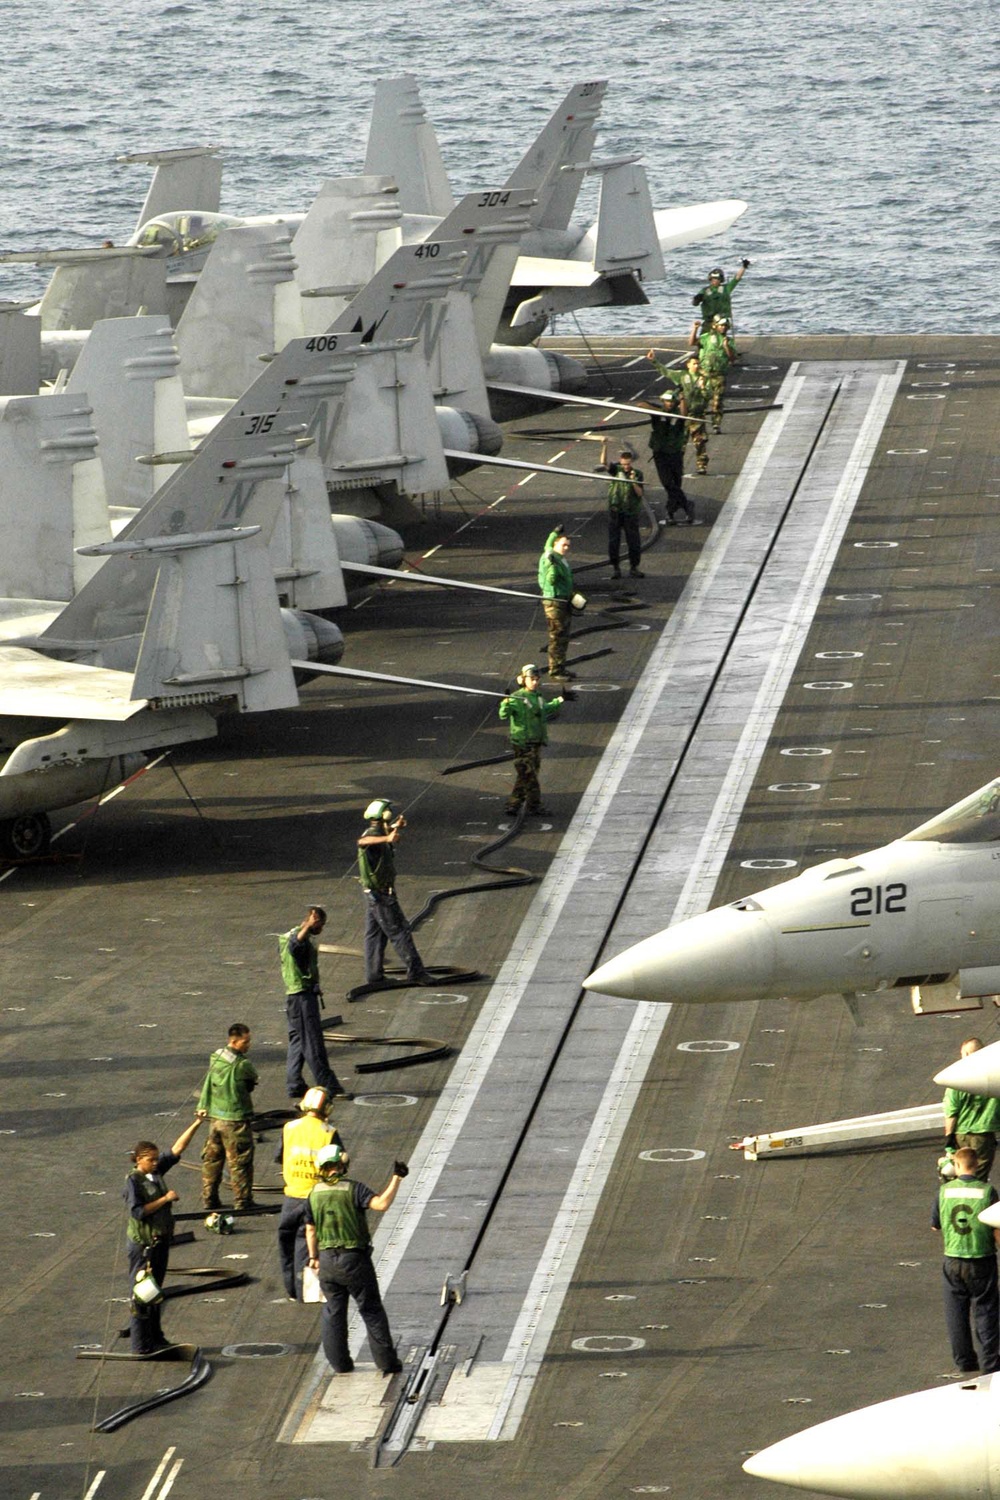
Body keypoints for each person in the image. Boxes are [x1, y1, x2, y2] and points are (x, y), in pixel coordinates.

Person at [304, 1143, 407, 1375]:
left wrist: (314, 1258)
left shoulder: (313, 1194)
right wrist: (397, 1179)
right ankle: (387, 1363)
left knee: (333, 1312)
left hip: (327, 1261)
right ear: (342, 1164)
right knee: (371, 1310)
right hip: (355, 1260)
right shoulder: (353, 1189)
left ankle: (340, 1364)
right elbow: (381, 1204)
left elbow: (310, 1230)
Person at [124, 1117, 203, 1353]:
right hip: (143, 1246)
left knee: (156, 1292)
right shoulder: (134, 1181)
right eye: (151, 1159)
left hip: (159, 1243)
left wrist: (197, 1123)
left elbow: (177, 1150)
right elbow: (138, 1212)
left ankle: (156, 1337)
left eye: (157, 1159)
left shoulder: (154, 1173)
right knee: (141, 1293)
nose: (156, 1163)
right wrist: (165, 1199)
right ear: (139, 1160)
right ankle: (140, 1345)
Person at [932, 1146, 1000, 1374]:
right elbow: (996, 1229)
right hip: (981, 1258)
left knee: (956, 1313)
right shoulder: (987, 1191)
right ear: (978, 1164)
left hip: (953, 1258)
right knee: (987, 1312)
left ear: (957, 1166)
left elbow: (935, 1224)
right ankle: (991, 1363)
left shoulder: (944, 1191)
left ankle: (965, 1361)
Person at [357, 799, 434, 987]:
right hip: (382, 896)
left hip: (373, 894)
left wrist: (394, 828)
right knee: (400, 932)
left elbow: (378, 835)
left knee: (374, 934)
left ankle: (374, 975)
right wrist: (387, 838)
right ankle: (416, 973)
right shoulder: (373, 836)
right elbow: (362, 842)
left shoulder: (378, 830)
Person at [275, 1087, 342, 1300]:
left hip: (291, 1196)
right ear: (327, 1108)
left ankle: (291, 1290)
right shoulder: (329, 1133)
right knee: (306, 1245)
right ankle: (306, 1292)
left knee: (285, 1243)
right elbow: (339, 1164)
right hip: (315, 1198)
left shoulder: (289, 1127)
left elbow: (279, 1156)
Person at [280, 907, 349, 1103]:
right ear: (314, 921)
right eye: (321, 925)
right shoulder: (298, 938)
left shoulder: (285, 936)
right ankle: (330, 1086)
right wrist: (308, 927)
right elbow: (296, 946)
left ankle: (294, 1083)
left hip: (294, 998)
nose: (321, 929)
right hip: (302, 1000)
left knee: (297, 1041)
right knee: (313, 1044)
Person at [198, 1023, 259, 1211]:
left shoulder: (215, 1057)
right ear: (234, 1041)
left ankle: (209, 1198)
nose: (248, 1045)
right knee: (240, 1161)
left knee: (212, 1160)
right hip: (236, 1120)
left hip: (216, 1119)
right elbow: (252, 1080)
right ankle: (242, 1200)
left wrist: (203, 1105)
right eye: (245, 1041)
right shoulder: (243, 1065)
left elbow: (208, 1081)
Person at [499, 664, 563, 817]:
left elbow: (545, 709)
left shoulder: (538, 697)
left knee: (526, 776)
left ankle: (513, 804)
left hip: (536, 743)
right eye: (531, 679)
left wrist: (560, 699)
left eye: (536, 679)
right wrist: (506, 703)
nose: (535, 682)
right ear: (522, 680)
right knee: (530, 777)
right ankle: (534, 805)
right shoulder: (516, 698)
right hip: (523, 744)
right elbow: (503, 715)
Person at [943, 1038, 1000, 1181]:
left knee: (958, 1175)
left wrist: (949, 1140)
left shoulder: (957, 1077)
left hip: (961, 1134)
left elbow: (951, 1112)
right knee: (979, 1178)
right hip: (984, 1135)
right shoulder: (995, 1073)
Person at [646, 387, 700, 526]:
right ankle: (687, 505)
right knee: (667, 483)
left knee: (675, 484)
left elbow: (684, 413)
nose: (669, 404)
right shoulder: (658, 414)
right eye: (666, 401)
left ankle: (670, 512)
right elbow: (641, 405)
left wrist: (682, 399)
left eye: (671, 402)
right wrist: (658, 410)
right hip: (660, 453)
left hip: (675, 453)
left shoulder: (678, 415)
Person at [597, 438, 645, 579]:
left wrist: (632, 481)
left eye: (628, 464)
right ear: (620, 462)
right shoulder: (616, 470)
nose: (626, 467)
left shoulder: (637, 474)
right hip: (616, 511)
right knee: (614, 541)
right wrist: (604, 446)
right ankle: (616, 568)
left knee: (634, 541)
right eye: (624, 464)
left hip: (630, 512)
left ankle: (634, 567)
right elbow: (603, 463)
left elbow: (640, 493)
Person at [538, 527, 575, 680]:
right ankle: (555, 670)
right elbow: (551, 580)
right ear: (556, 545)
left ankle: (561, 666)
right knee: (557, 636)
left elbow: (547, 544)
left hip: (563, 599)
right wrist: (553, 568)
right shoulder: (551, 559)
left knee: (564, 635)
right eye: (563, 545)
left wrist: (554, 532)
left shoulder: (554, 554)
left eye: (568, 546)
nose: (566, 548)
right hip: (555, 602)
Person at [689, 259, 751, 348]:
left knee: (720, 340)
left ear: (721, 279)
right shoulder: (705, 291)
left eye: (717, 278)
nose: (715, 280)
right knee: (703, 340)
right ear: (710, 279)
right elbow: (695, 303)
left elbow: (736, 278)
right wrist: (696, 299)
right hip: (709, 321)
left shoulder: (726, 289)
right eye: (713, 278)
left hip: (722, 321)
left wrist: (744, 267)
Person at [698, 315, 736, 432]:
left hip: (719, 374)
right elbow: (692, 342)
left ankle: (716, 424)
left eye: (725, 326)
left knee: (717, 401)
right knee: (702, 400)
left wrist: (726, 347)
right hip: (705, 373)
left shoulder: (729, 341)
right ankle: (701, 424)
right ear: (715, 326)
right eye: (721, 325)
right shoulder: (706, 337)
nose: (724, 328)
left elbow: (732, 358)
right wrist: (695, 329)